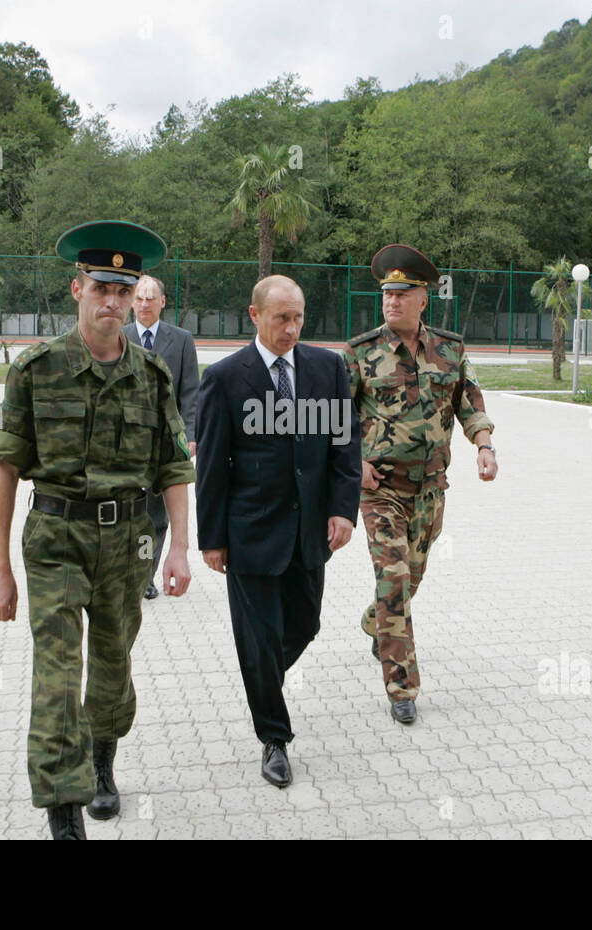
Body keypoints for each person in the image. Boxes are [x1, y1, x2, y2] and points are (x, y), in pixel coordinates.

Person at [0, 220, 196, 839]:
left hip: (128, 543)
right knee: (56, 673)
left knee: (112, 665)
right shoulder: (36, 369)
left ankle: (103, 765)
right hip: (56, 540)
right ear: (76, 288)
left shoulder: (153, 376)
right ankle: (63, 812)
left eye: (123, 291)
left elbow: (174, 467)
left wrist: (178, 546)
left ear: (137, 299)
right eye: (101, 287)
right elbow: (5, 472)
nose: (112, 302)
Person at [195, 275, 360, 787]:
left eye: (299, 317)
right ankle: (275, 738)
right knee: (258, 638)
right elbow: (212, 466)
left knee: (304, 625)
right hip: (249, 534)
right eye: (281, 318)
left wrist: (343, 509)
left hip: (310, 531)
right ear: (255, 315)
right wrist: (211, 538)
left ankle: (260, 677)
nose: (292, 328)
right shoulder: (225, 378)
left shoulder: (327, 367)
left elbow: (344, 447)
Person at [342, 244, 497, 725]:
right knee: (394, 577)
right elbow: (335, 416)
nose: (392, 301)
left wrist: (484, 444)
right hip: (380, 488)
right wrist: (352, 460)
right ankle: (401, 687)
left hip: (431, 489)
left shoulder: (451, 349)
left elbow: (469, 399)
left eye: (403, 294)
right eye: (387, 294)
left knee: (411, 579)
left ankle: (376, 623)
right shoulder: (360, 353)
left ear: (423, 298)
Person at [123, 274, 200, 599]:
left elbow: (191, 392)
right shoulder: (118, 335)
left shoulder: (181, 340)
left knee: (156, 517)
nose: (143, 304)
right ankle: (123, 572)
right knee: (127, 515)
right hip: (125, 444)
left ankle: (145, 577)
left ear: (162, 302)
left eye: (150, 298)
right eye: (138, 298)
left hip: (165, 445)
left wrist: (190, 435)